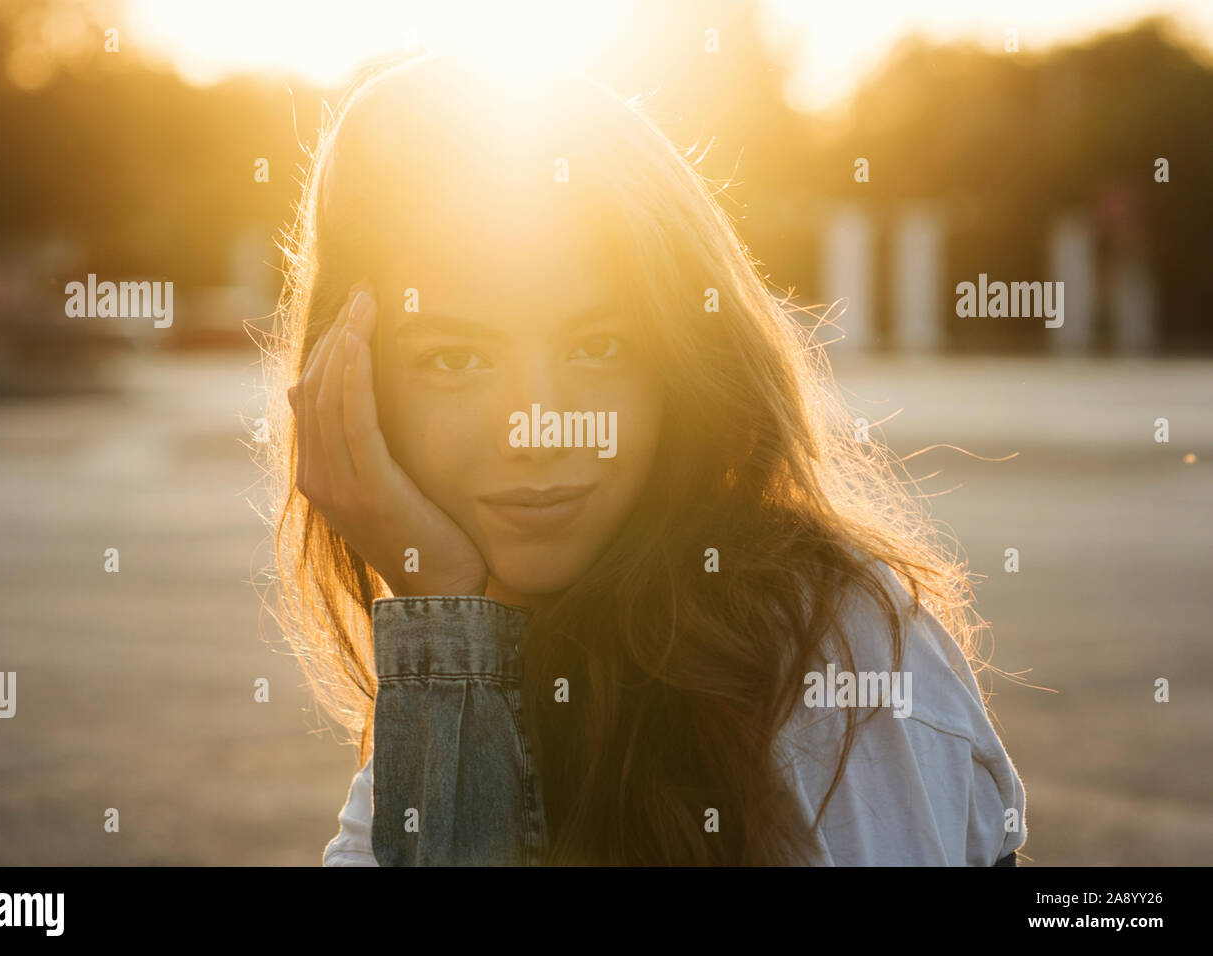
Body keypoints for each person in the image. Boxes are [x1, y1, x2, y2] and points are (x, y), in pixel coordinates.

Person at [260, 50, 1028, 866]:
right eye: (456, 359)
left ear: (678, 363)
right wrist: (446, 625)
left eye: (598, 346)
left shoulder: (829, 655)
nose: (537, 429)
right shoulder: (449, 669)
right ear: (357, 388)